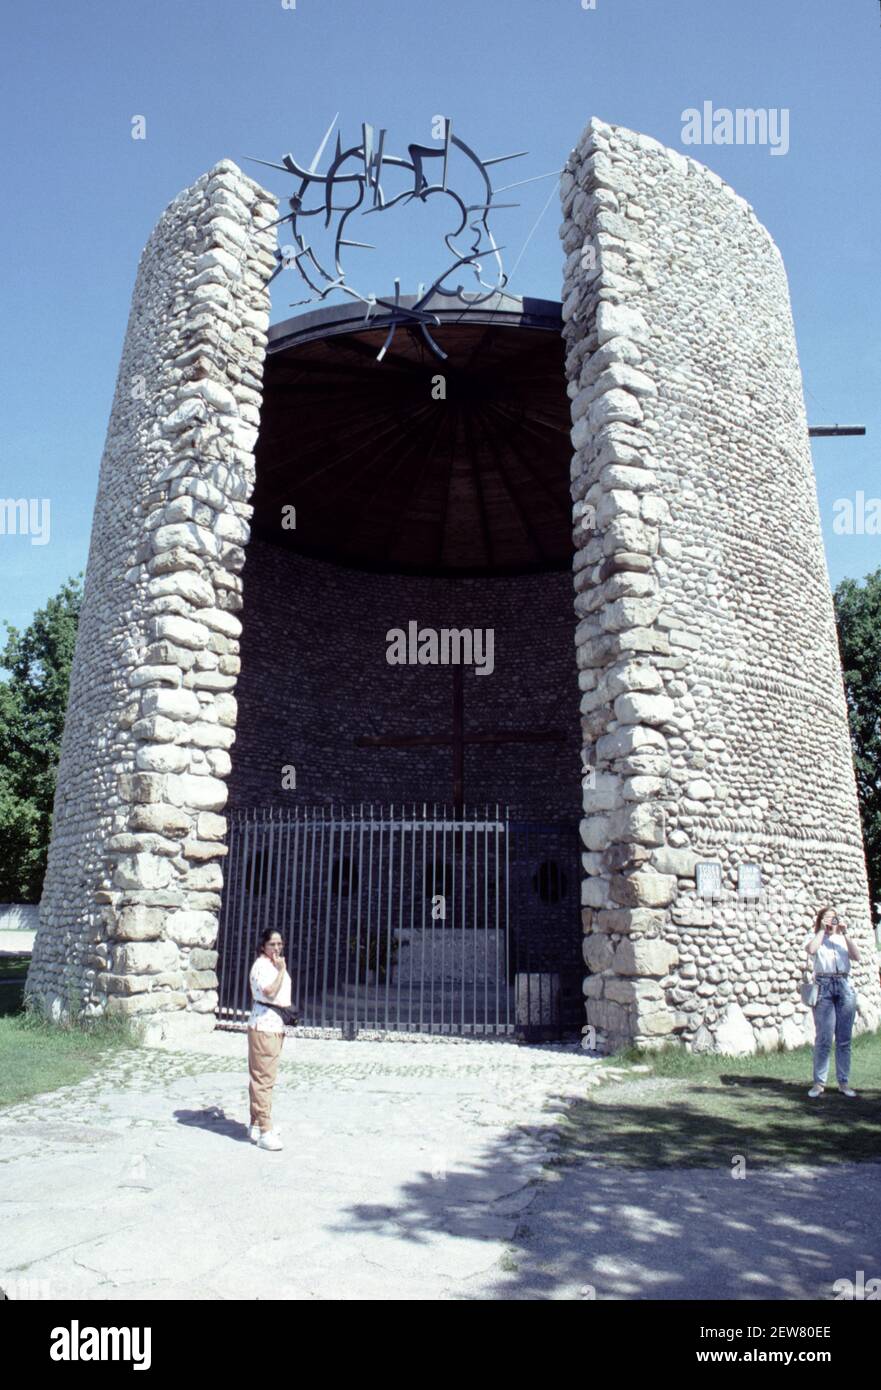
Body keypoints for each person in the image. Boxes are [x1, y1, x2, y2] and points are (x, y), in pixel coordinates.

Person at [805, 905, 860, 1099]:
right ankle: (819, 1083)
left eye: (833, 919)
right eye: (826, 918)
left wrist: (845, 933)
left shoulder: (842, 939)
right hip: (824, 986)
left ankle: (843, 1083)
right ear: (820, 920)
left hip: (844, 985)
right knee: (824, 1039)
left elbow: (857, 956)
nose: (831, 922)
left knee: (844, 1040)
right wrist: (822, 930)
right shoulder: (816, 938)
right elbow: (811, 949)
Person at [247, 929, 293, 1150]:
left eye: (280, 944)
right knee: (263, 1078)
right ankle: (265, 1130)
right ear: (263, 945)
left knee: (265, 1075)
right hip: (264, 1026)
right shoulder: (262, 967)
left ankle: (256, 1123)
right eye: (273, 944)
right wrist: (282, 970)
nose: (277, 948)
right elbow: (270, 992)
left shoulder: (271, 965)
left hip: (274, 1025)